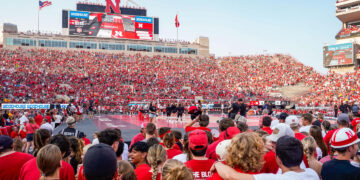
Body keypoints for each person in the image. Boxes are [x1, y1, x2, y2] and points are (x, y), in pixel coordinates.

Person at [212, 136, 320, 180]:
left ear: (278, 159)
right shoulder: (312, 174)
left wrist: (218, 164)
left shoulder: (276, 178)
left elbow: (230, 175)